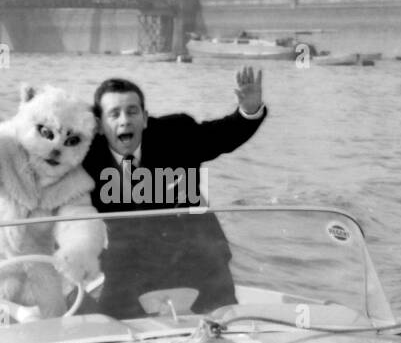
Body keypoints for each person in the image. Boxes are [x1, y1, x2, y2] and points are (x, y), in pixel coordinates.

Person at [82, 68, 266, 317]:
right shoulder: (85, 154)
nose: (125, 120)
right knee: (107, 329)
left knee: (224, 324)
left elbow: (223, 135)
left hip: (199, 256)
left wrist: (249, 111)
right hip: (128, 262)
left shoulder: (176, 133)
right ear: (100, 126)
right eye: (114, 114)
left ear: (145, 118)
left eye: (132, 111)